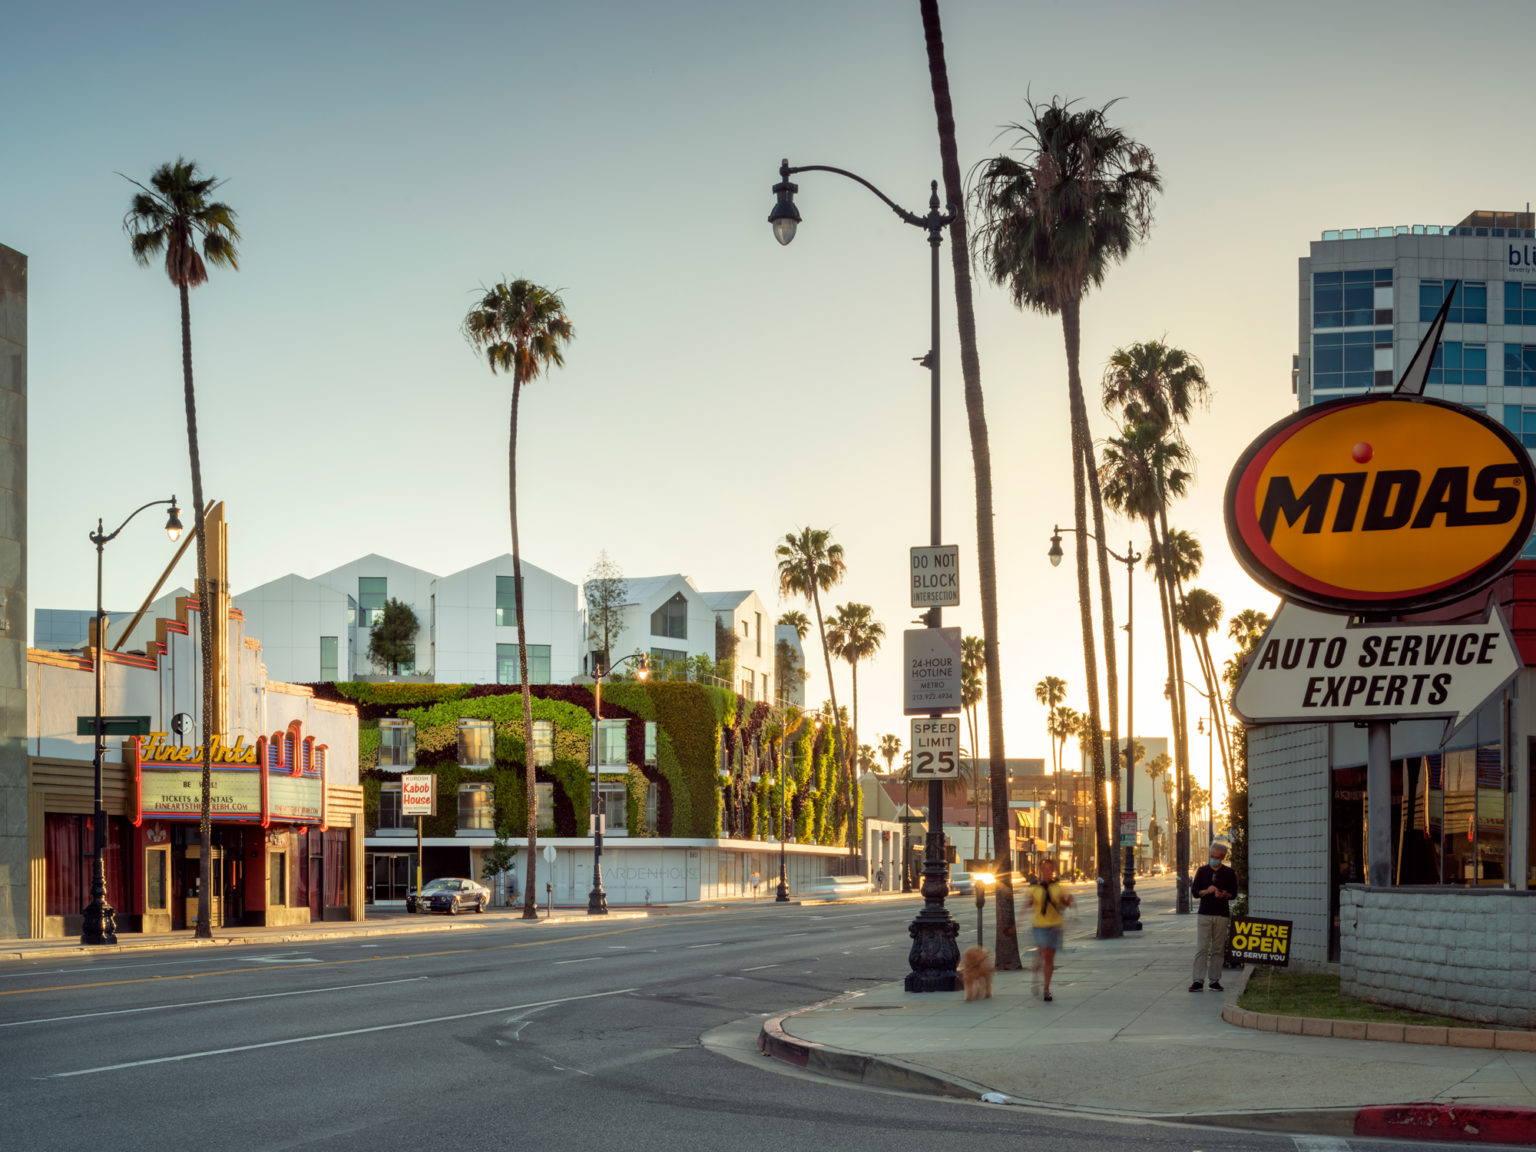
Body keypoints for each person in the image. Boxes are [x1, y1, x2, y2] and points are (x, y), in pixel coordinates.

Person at [1190, 841, 1238, 992]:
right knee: (1202, 948)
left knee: (1218, 949)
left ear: (1222, 857)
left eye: (1217, 857)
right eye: (1212, 856)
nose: (1214, 859)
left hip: (1221, 914)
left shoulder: (1229, 873)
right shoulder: (1202, 871)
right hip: (1204, 914)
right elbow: (1195, 893)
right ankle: (1198, 980)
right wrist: (1207, 891)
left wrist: (1224, 894)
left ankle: (1214, 981)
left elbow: (1233, 895)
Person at [1030, 858, 1073, 1002]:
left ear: (1053, 871)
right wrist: (1018, 922)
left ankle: (1046, 989)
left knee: (1049, 957)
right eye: (1044, 869)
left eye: (1049, 869)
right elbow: (1027, 905)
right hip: (1040, 925)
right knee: (1044, 951)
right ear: (1040, 871)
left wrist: (1068, 901)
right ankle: (1036, 973)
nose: (1047, 872)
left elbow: (1065, 904)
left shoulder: (1058, 888)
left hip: (1055, 926)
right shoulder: (1035, 888)